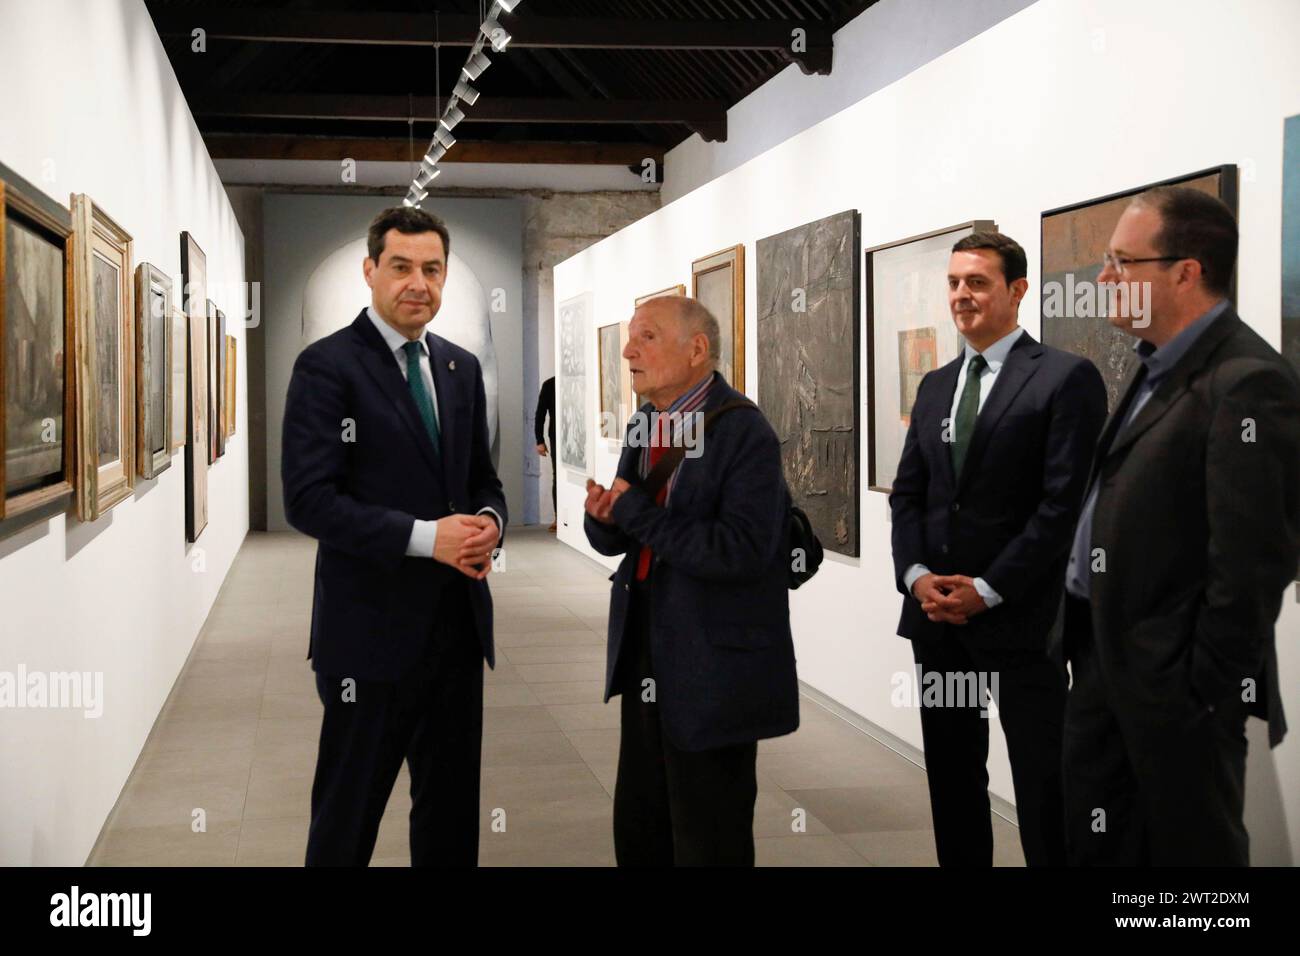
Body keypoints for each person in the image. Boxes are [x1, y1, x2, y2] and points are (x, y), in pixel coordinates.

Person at [1062, 186, 1300, 866]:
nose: (1103, 279)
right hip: (1107, 666)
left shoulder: (1247, 381)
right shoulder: (1155, 365)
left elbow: (1251, 568)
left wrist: (1193, 691)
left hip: (1170, 693)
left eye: (1119, 262)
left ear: (1185, 271)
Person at [282, 206, 507, 866]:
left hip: (457, 632)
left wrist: (488, 527)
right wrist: (423, 538)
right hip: (368, 640)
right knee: (347, 818)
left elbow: (482, 480)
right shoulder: (327, 368)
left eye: (432, 269)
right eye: (402, 267)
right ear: (371, 271)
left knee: (449, 818)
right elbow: (308, 501)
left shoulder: (460, 369)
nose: (418, 283)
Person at [889, 231, 1107, 867]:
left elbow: (1063, 506)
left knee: (1045, 788)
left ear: (1017, 290)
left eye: (977, 282)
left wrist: (987, 589)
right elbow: (910, 496)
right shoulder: (935, 386)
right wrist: (917, 575)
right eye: (955, 282)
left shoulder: (1066, 379)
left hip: (1024, 624)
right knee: (953, 783)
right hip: (937, 624)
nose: (962, 295)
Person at [584, 295, 799, 866]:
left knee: (709, 833)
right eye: (631, 337)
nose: (628, 350)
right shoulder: (645, 423)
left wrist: (635, 515)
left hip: (715, 663)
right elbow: (627, 538)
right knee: (642, 820)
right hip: (647, 647)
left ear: (697, 349)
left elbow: (741, 551)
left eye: (646, 337)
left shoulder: (743, 432)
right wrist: (604, 517)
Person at [534, 375, 556, 531]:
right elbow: (540, 413)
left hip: (577, 434)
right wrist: (539, 440)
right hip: (556, 435)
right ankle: (559, 517)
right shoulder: (550, 384)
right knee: (558, 476)